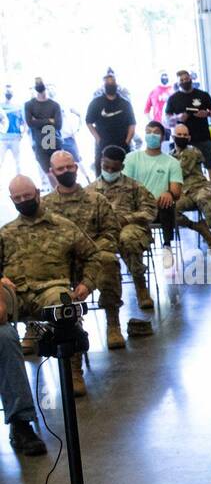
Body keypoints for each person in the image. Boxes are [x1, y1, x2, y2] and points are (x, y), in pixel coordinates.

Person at [1, 175, 98, 398]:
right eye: (18, 198)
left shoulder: (63, 227)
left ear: (37, 192)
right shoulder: (5, 233)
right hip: (16, 294)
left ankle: (73, 371)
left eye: (27, 195)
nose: (24, 200)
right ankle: (13, 394)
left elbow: (94, 255)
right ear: (11, 199)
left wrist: (87, 283)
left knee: (62, 304)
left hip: (51, 291)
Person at [41, 150, 123, 348]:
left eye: (69, 167)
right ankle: (65, 332)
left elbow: (111, 233)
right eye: (61, 168)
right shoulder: (45, 206)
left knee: (108, 261)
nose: (66, 171)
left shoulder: (96, 200)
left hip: (93, 257)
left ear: (76, 168)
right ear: (52, 172)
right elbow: (41, 240)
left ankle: (113, 323)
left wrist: (89, 252)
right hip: (61, 262)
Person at [92, 144, 157, 312]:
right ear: (100, 162)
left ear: (121, 167)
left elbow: (150, 210)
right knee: (97, 249)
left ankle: (140, 286)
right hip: (103, 231)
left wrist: (126, 219)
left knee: (128, 239)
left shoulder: (134, 186)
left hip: (131, 227)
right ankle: (106, 290)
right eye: (106, 166)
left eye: (114, 168)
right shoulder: (91, 191)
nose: (109, 170)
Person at [164, 69, 211, 206]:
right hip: (183, 140)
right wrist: (178, 117)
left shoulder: (202, 95)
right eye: (182, 80)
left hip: (203, 137)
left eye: (187, 79)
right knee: (181, 168)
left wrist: (207, 114)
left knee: (210, 166)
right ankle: (180, 195)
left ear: (191, 79)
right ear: (178, 82)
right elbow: (167, 120)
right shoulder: (173, 98)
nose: (185, 81)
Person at [123, 121, 182, 246]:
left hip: (159, 210)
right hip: (137, 208)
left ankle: (167, 245)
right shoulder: (131, 158)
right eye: (148, 132)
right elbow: (125, 186)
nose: (152, 135)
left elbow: (176, 191)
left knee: (167, 202)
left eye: (156, 132)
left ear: (162, 137)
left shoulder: (172, 162)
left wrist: (169, 193)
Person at [170, 123, 211, 251]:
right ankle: (199, 228)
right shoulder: (170, 156)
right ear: (173, 137)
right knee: (170, 209)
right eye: (179, 135)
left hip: (199, 187)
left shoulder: (192, 151)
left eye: (185, 135)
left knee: (204, 198)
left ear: (189, 138)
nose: (182, 137)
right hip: (183, 193)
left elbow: (180, 172)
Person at [84, 71, 135, 177]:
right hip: (103, 145)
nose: (110, 83)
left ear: (116, 83)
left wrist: (127, 141)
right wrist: (98, 138)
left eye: (112, 81)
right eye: (108, 81)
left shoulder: (125, 103)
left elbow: (132, 124)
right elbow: (88, 122)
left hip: (122, 145)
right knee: (102, 177)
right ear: (104, 84)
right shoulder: (96, 103)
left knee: (125, 175)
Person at [23, 78, 62, 174]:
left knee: (58, 170)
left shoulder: (55, 105)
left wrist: (38, 121)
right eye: (37, 83)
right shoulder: (29, 105)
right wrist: (49, 120)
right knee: (48, 172)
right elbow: (30, 123)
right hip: (39, 143)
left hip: (54, 142)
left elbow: (58, 125)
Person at [1, 87, 23, 175]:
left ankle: (20, 182)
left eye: (10, 90)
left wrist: (23, 133)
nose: (8, 92)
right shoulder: (0, 106)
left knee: (18, 162)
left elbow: (23, 121)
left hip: (15, 138)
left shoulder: (18, 107)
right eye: (7, 90)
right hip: (2, 138)